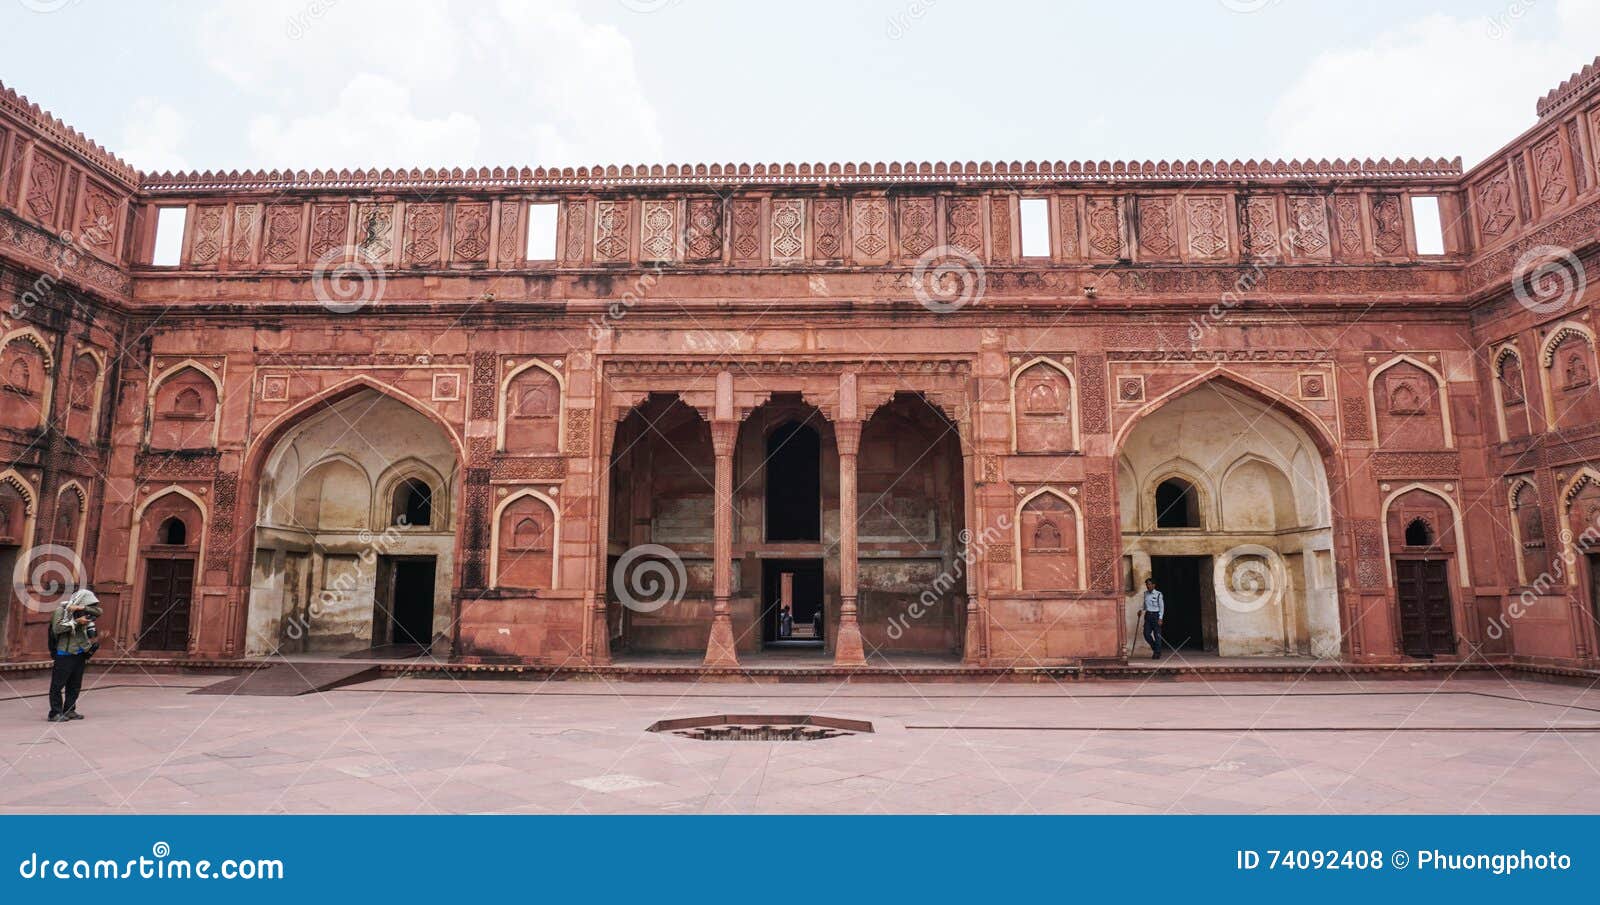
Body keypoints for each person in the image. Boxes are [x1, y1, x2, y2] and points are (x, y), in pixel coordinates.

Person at [47, 587, 102, 723]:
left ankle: (69, 710)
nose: (90, 607)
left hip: (80, 653)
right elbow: (57, 628)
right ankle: (55, 713)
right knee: (58, 685)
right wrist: (77, 622)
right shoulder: (61, 611)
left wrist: (80, 607)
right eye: (88, 604)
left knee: (75, 685)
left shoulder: (82, 610)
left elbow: (99, 611)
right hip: (64, 652)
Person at [1140, 577, 1164, 660]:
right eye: (1147, 584)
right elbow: (1144, 604)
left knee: (1157, 635)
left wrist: (1160, 618)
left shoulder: (1158, 594)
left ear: (1154, 585)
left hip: (1156, 615)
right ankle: (1156, 649)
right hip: (1148, 615)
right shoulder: (1145, 593)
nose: (1148, 586)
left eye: (1149, 584)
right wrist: (1141, 610)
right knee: (1146, 634)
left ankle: (1157, 653)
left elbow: (1162, 607)